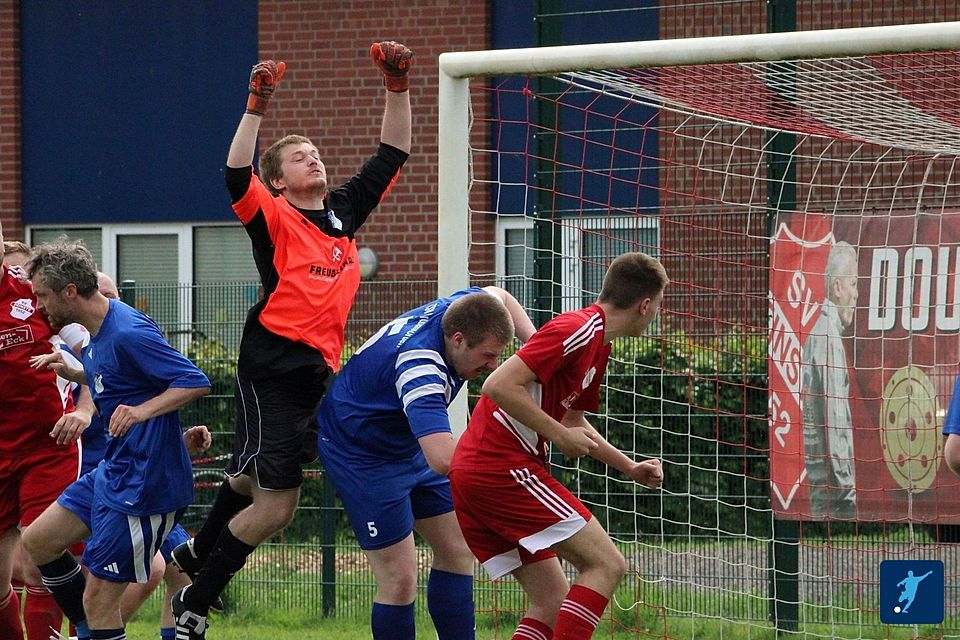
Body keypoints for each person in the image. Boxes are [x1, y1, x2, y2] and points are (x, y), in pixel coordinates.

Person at [169, 40, 413, 640]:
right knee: (277, 507)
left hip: (316, 371)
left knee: (252, 479)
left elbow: (394, 152)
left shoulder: (343, 212)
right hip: (273, 363)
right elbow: (232, 173)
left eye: (316, 153)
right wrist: (257, 103)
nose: (314, 160)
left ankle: (193, 556)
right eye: (300, 157)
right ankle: (196, 601)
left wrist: (396, 85)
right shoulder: (273, 214)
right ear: (277, 180)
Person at [448, 252, 667, 640]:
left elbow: (573, 422)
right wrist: (561, 437)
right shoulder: (576, 329)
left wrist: (628, 466)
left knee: (551, 601)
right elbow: (498, 385)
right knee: (607, 565)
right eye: (659, 306)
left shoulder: (599, 345)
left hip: (479, 473)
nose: (656, 315)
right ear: (645, 305)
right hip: (499, 467)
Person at [316, 286, 535, 640]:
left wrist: (536, 349)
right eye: (487, 356)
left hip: (407, 441)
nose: (494, 366)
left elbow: (503, 297)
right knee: (399, 579)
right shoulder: (421, 366)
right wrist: (512, 472)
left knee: (458, 550)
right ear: (458, 340)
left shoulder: (462, 310)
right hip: (361, 455)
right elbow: (444, 459)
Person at [20, 239, 211, 640]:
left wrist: (141, 412)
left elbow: (195, 381)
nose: (39, 306)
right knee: (38, 543)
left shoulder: (127, 331)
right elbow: (118, 378)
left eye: (42, 296)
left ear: (69, 292)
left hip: (145, 486)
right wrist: (75, 375)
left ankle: (90, 630)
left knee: (101, 600)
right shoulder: (96, 332)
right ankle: (88, 633)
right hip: (115, 472)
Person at [0, 230, 94, 640]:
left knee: (41, 559)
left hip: (47, 446)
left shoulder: (33, 292)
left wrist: (87, 409)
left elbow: (98, 350)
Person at [801, 240, 858, 519]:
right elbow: (833, 418)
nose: (857, 294)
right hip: (833, 490)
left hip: (823, 482)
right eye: (854, 284)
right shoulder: (828, 338)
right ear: (837, 288)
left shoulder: (819, 332)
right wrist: (846, 486)